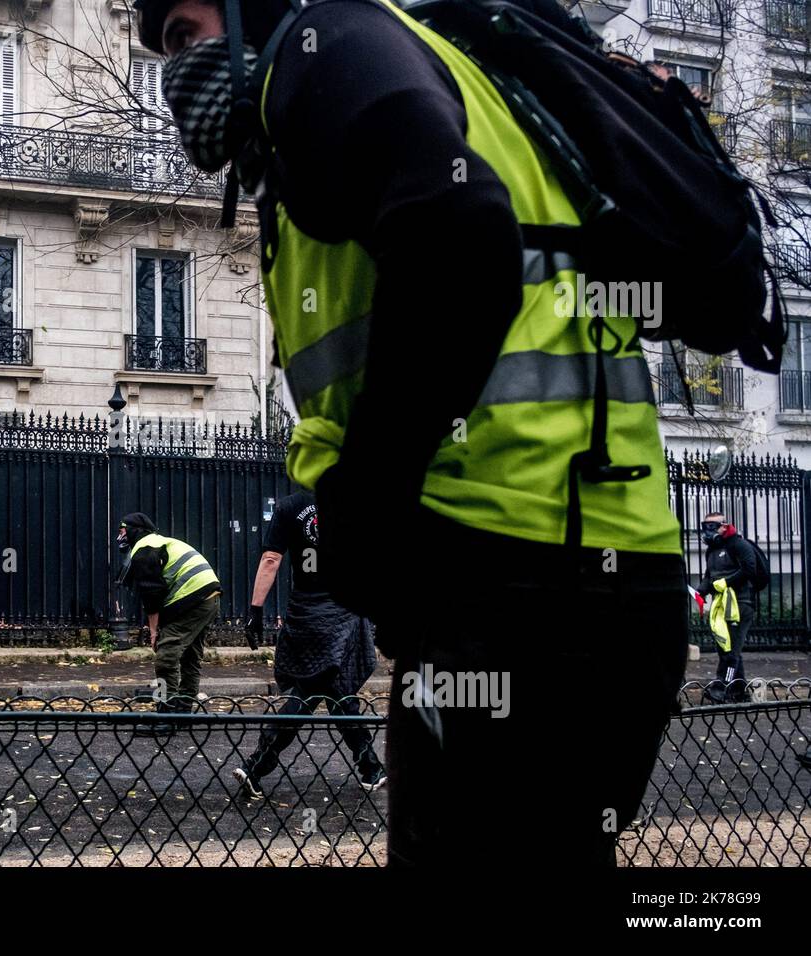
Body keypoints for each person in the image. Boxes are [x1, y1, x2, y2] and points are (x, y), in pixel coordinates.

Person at [133, 0, 688, 865]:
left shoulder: (323, 51)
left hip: (516, 581)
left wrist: (363, 506)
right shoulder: (386, 76)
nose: (178, 68)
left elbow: (458, 236)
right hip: (591, 575)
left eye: (184, 31)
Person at [232, 490, 384, 799]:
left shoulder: (290, 506)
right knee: (319, 688)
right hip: (343, 609)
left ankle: (370, 767)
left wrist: (255, 612)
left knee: (327, 685)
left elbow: (271, 559)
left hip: (306, 612)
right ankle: (256, 766)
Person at [116, 512, 221, 733]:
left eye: (122, 529)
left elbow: (151, 594)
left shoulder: (143, 548)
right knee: (190, 657)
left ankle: (166, 715)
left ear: (135, 530)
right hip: (209, 596)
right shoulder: (159, 542)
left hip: (193, 597)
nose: (120, 535)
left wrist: (154, 631)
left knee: (165, 658)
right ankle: (182, 713)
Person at [700, 512, 758, 704]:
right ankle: (740, 692)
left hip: (740, 604)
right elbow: (710, 576)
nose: (708, 531)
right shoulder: (711, 551)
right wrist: (700, 590)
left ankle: (721, 688)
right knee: (726, 649)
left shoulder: (739, 545)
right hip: (720, 605)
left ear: (724, 526)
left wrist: (727, 582)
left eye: (712, 526)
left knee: (731, 651)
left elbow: (750, 569)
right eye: (705, 526)